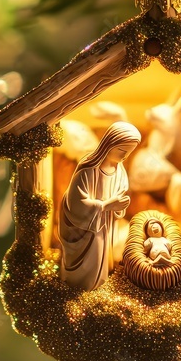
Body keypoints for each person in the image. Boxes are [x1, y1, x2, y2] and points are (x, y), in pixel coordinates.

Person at [59, 121, 141, 290]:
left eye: (129, 152)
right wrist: (106, 205)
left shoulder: (119, 170)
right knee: (92, 261)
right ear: (109, 144)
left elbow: (122, 193)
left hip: (106, 225)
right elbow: (75, 204)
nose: (125, 156)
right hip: (87, 230)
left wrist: (120, 205)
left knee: (106, 258)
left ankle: (103, 284)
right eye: (122, 150)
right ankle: (85, 287)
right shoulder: (88, 171)